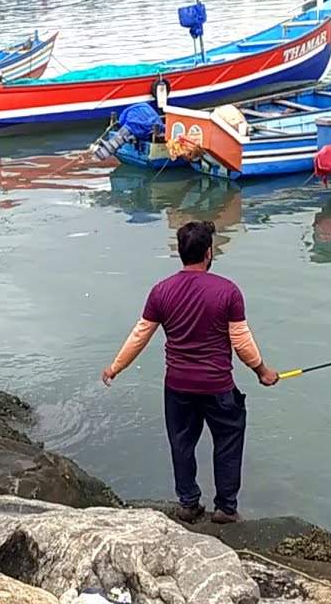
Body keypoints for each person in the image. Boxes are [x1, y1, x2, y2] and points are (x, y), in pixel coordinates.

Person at [101, 220, 279, 525]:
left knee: (181, 442)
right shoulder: (227, 291)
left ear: (181, 253)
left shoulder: (161, 291)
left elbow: (139, 335)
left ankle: (188, 503)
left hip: (178, 386)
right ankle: (225, 508)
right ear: (209, 252)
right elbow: (241, 341)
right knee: (228, 439)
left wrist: (115, 367)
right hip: (218, 386)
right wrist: (262, 370)